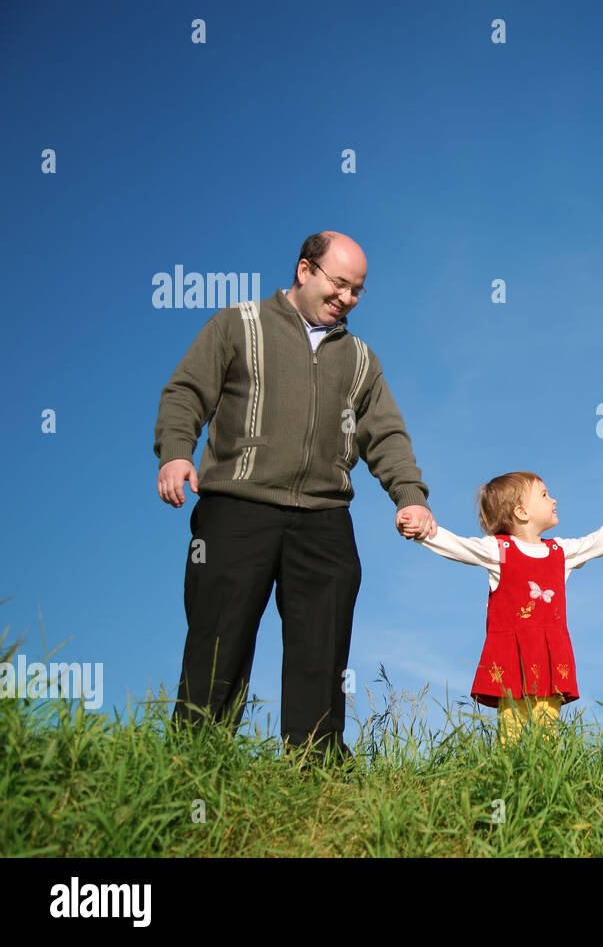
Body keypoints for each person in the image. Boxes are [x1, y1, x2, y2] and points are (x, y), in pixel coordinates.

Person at [154, 231, 436, 759]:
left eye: (357, 291)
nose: (347, 298)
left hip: (324, 518)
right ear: (305, 270)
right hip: (238, 506)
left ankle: (317, 767)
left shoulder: (360, 359)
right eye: (339, 283)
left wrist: (410, 496)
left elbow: (387, 435)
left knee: (321, 649)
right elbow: (186, 392)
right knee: (220, 637)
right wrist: (175, 452)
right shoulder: (237, 325)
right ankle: (193, 759)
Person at [400, 472, 603, 743]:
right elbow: (458, 546)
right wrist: (423, 531)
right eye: (544, 495)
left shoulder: (559, 553)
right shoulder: (500, 550)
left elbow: (594, 544)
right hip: (510, 654)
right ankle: (511, 772)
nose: (553, 500)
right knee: (511, 727)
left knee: (547, 726)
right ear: (521, 512)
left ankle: (545, 774)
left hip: (550, 653)